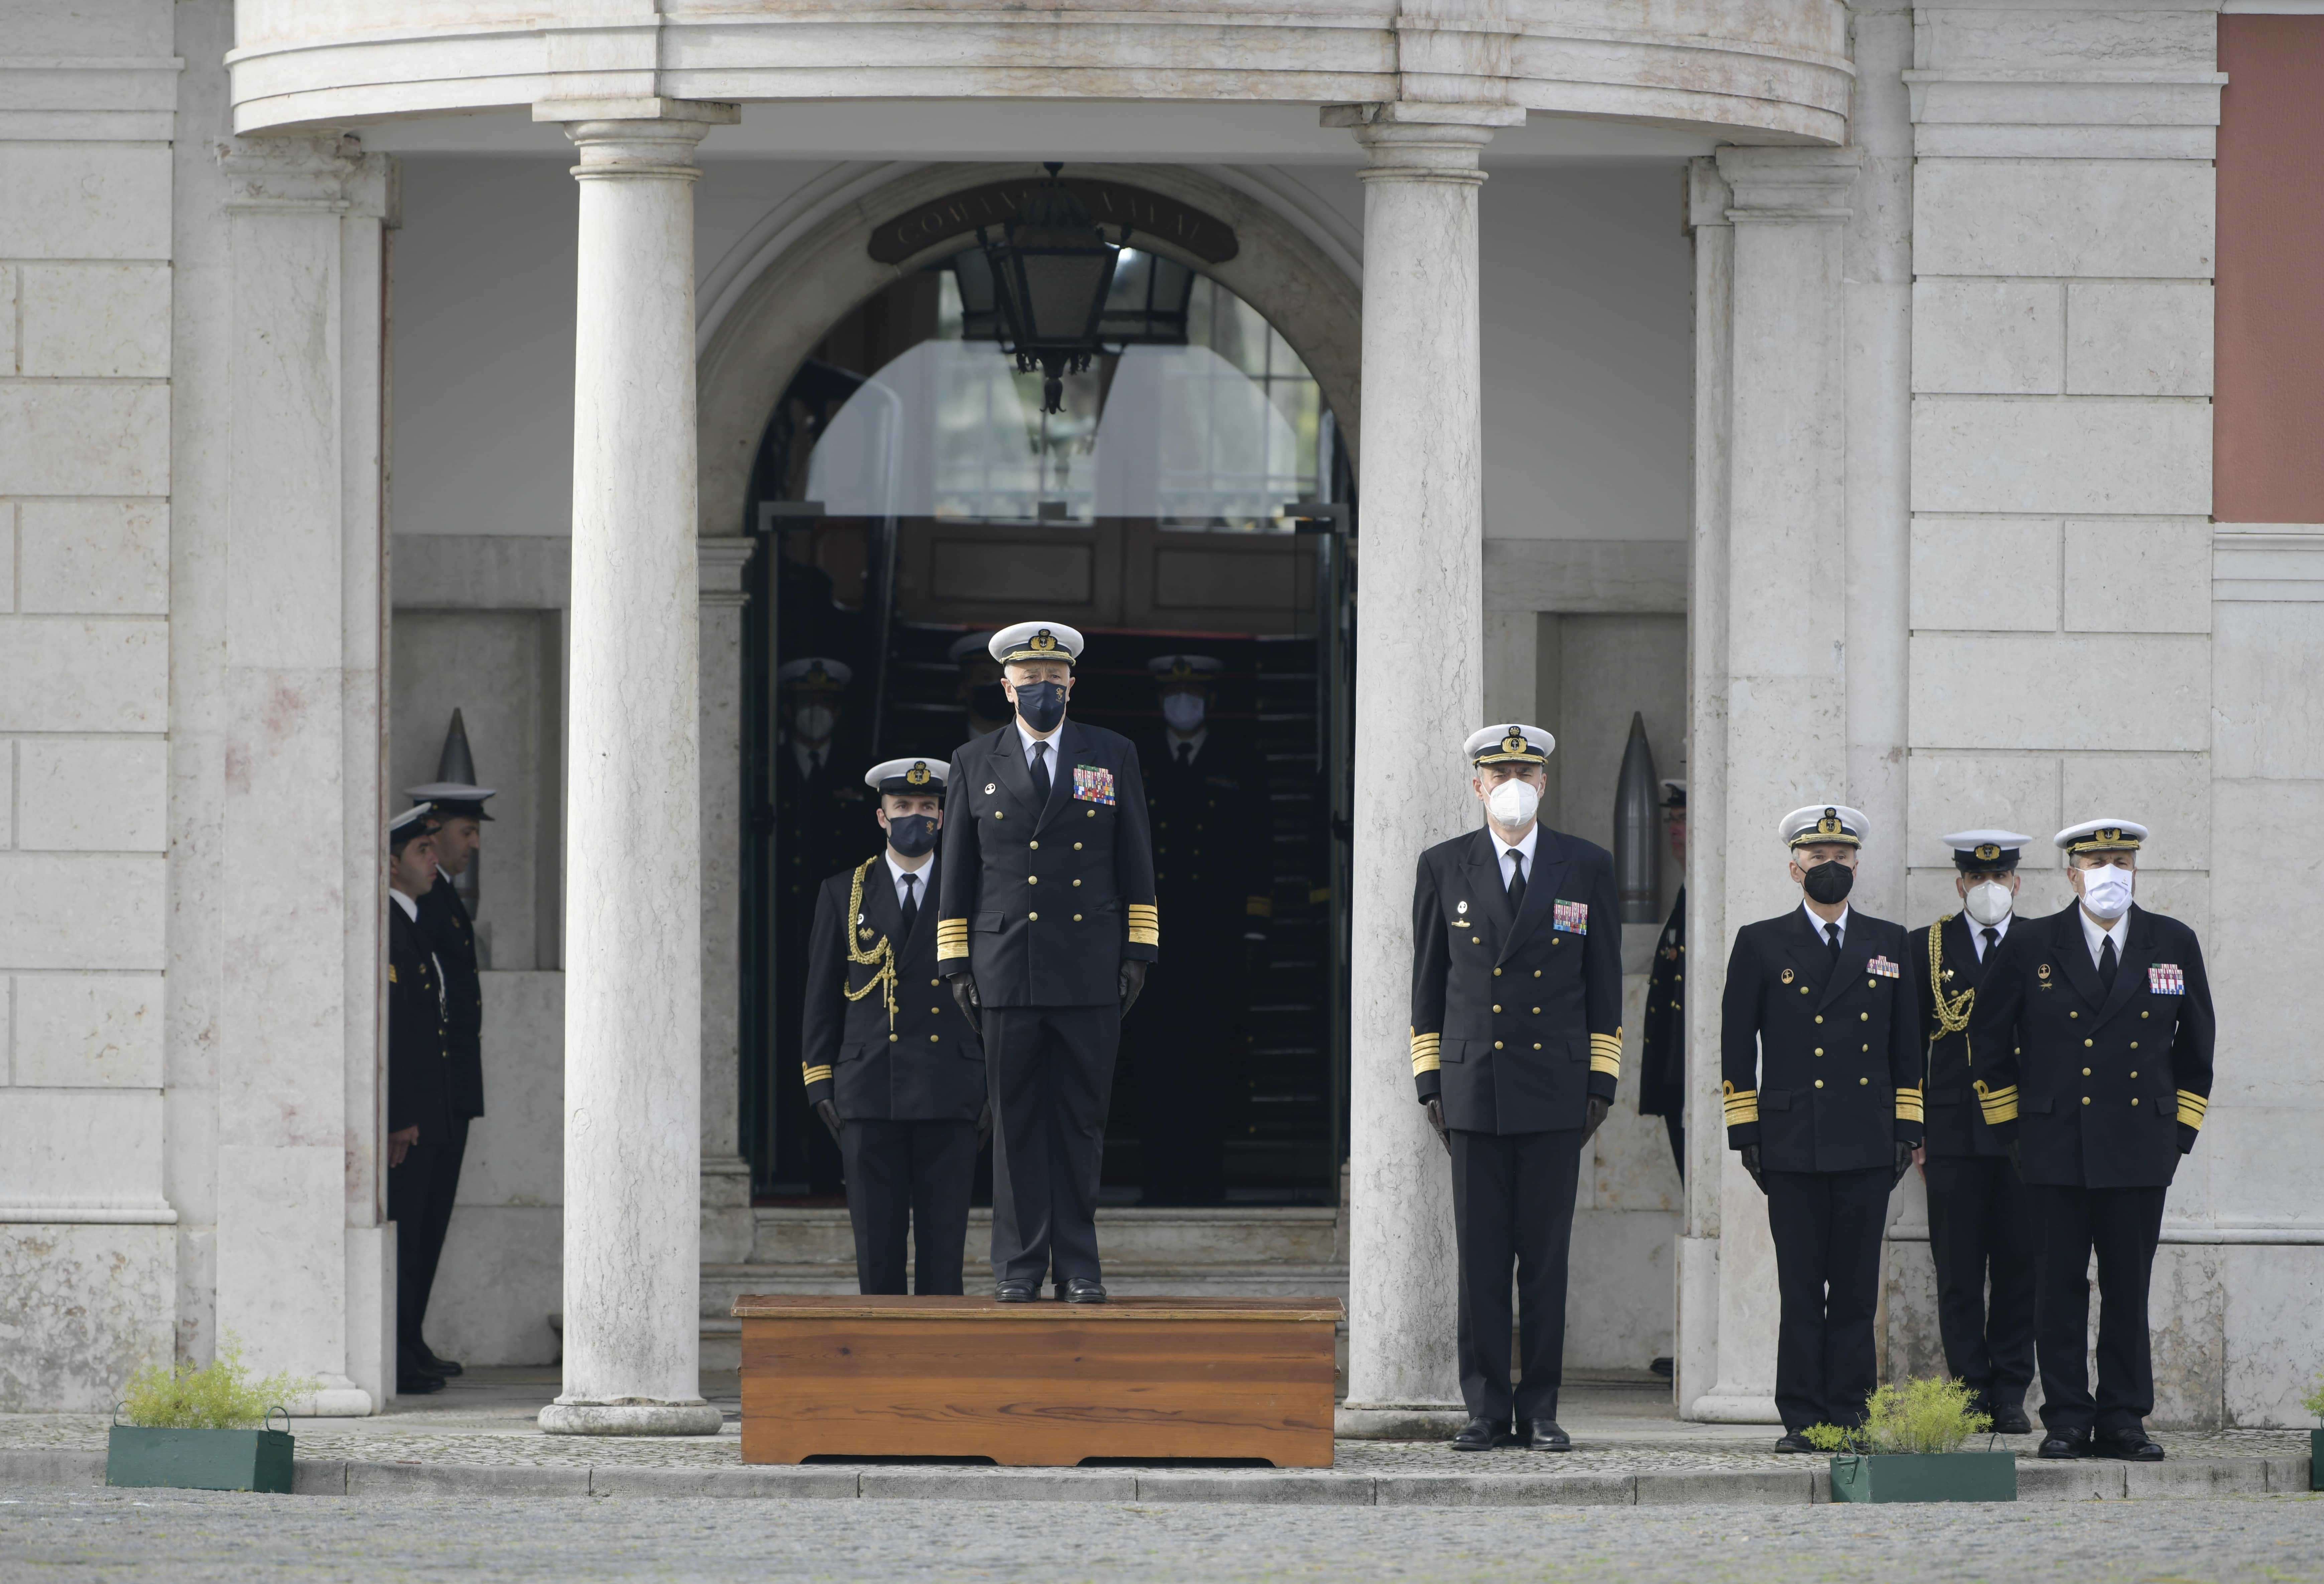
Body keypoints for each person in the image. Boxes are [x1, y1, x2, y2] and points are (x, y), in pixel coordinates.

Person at [1966, 819, 2214, 1463]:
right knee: (2057, 1288)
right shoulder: (2031, 945)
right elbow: (1987, 1046)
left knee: (2128, 1287)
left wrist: (2177, 1134)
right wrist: (2010, 1130)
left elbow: (2195, 1050)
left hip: (2139, 1145)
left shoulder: (2172, 942)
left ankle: (2124, 1417)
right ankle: (2067, 1418)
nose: (2111, 871)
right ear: (2070, 872)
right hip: (2052, 1144)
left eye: (2122, 859)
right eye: (2098, 860)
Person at [1410, 724, 1621, 1453]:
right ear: (1476, 785)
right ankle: (1484, 1408)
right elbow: (1429, 980)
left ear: (1544, 782)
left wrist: (1602, 1075)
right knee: (1481, 1260)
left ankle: (1541, 1409)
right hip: (1473, 1086)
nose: (1512, 781)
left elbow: (1603, 980)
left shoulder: (1585, 865)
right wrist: (1428, 1076)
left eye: (1525, 770)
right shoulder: (1444, 865)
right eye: (1498, 771)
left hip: (1558, 1088)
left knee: (1545, 1259)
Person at [937, 621, 1158, 1303]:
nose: (1041, 693)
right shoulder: (974, 762)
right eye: (1028, 684)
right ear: (1005, 688)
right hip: (1005, 965)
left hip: (1089, 964)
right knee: (1016, 1122)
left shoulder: (1109, 754)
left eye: (1052, 684)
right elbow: (957, 871)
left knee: (1082, 1121)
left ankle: (1080, 1265)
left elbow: (1135, 858)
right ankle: (1020, 1266)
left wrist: (1138, 949)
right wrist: (955, 962)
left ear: (1071, 685)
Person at [1721, 804, 1920, 1451]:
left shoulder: (1889, 943)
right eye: (1818, 860)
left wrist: (1907, 1127)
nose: (1831, 869)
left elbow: (1907, 1045)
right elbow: (1734, 1046)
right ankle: (1804, 1417)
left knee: (1858, 1292)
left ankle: (1851, 1415)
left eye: (1842, 859)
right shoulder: (1760, 943)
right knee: (1802, 1288)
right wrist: (1745, 1132)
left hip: (1865, 1141)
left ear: (1857, 865)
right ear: (1794, 868)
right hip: (1793, 1142)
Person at [801, 757, 989, 1294]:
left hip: (951, 1089)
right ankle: (880, 1374)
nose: (915, 816)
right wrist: (820, 1081)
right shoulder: (843, 892)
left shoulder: (973, 891)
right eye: (902, 807)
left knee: (943, 1251)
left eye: (927, 807)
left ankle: (941, 1369)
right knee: (877, 1253)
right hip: (868, 1088)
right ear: (882, 817)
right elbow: (821, 997)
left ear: (944, 816)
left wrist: (996, 1084)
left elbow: (996, 997)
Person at [1907, 829, 2038, 1436]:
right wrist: (1913, 1125)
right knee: (1957, 1270)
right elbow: (1906, 1044)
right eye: (1976, 879)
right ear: (1959, 883)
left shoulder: (2044, 944)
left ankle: (2010, 1390)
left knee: (2020, 1266)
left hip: (2023, 1133)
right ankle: (1968, 1389)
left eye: (1999, 877)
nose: (1988, 888)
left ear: (2015, 881)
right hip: (1952, 1130)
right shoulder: (1925, 948)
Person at [1131, 654, 1272, 1204]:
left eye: (1193, 695)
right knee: (1153, 1058)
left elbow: (1257, 849)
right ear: (1158, 700)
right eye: (1172, 693)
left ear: (1210, 702)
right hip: (1149, 938)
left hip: (1214, 939)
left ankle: (1204, 1174)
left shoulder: (1239, 761)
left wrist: (1256, 930)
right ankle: (1158, 1175)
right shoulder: (1133, 763)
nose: (1182, 703)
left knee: (1209, 1059)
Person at [400, 778, 495, 1383]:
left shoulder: (441, 898)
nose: (473, 845)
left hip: (451, 1086)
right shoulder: (422, 900)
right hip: (432, 1089)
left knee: (431, 1222)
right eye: (466, 833)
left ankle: (411, 1335)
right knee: (416, 1220)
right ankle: (403, 1337)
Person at [776, 656, 874, 1189]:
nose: (816, 713)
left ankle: (826, 1169)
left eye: (826, 703)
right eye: (807, 703)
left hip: (849, 939)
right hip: (784, 936)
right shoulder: (767, 770)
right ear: (789, 709)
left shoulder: (859, 774)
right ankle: (786, 1164)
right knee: (791, 1043)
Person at [384, 805, 453, 1398]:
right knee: (404, 1237)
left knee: (418, 1235)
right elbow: (396, 1032)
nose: (434, 861)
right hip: (409, 1121)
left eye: (434, 849)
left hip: (429, 1115)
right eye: (421, 852)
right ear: (391, 864)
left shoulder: (412, 923)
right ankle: (399, 1350)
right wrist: (400, 1115)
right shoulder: (389, 925)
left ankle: (408, 1343)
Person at [1636, 779, 1688, 1178]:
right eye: (1671, 819)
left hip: (1689, 1073)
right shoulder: (1685, 895)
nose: (1674, 828)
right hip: (1675, 1074)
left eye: (1683, 819)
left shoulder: (1698, 896)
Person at [949, 631, 1009, 741]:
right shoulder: (938, 751)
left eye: (1004, 678)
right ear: (963, 689)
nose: (997, 686)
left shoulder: (1034, 747)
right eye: (986, 678)